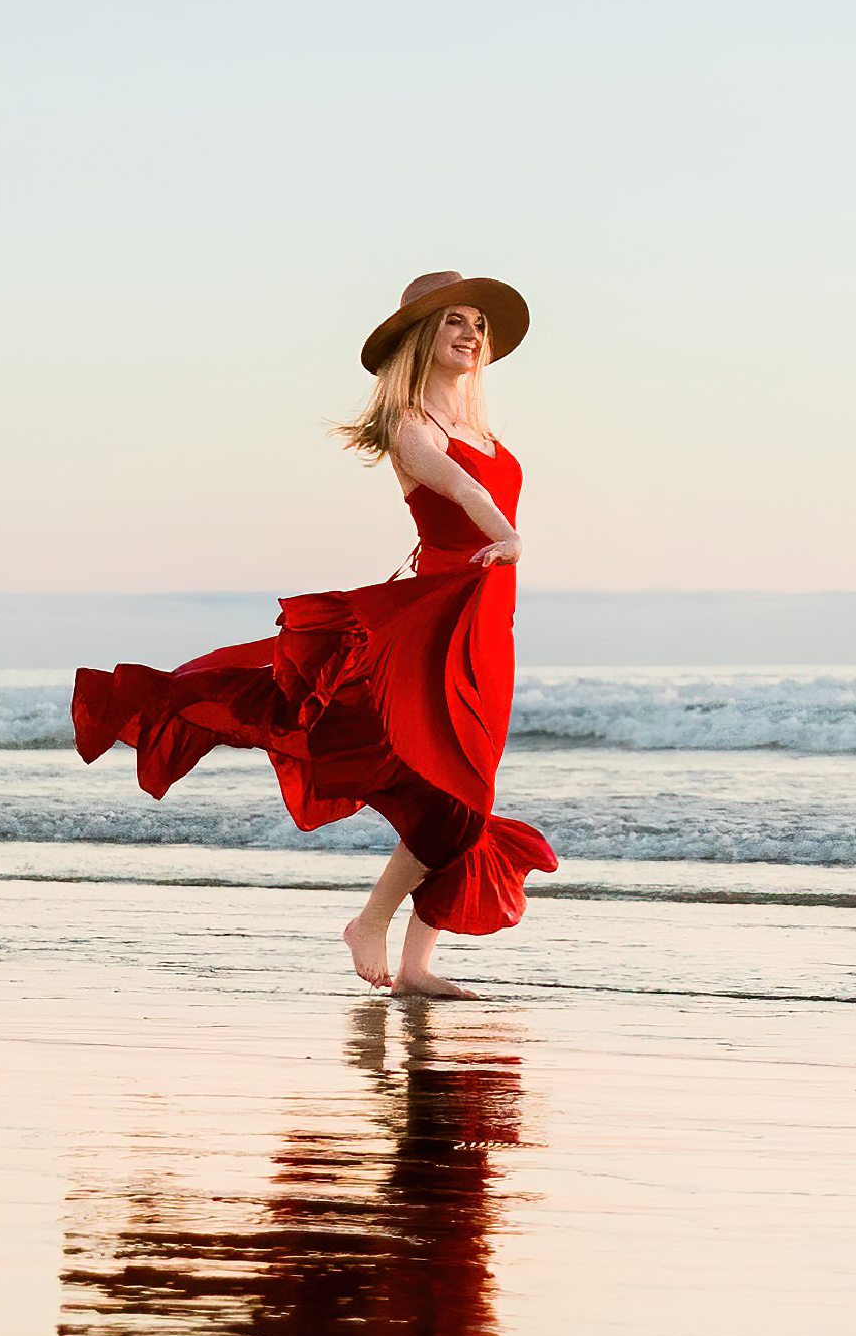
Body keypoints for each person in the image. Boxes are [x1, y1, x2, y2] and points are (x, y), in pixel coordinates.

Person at [71, 271, 556, 998]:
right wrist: (508, 536)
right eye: (453, 321)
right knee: (452, 783)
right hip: (435, 613)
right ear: (422, 336)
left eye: (478, 325)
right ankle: (371, 924)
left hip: (487, 615)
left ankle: (418, 963)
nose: (469, 334)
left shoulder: (481, 429)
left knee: (469, 786)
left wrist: (505, 547)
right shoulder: (411, 424)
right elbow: (464, 491)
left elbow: (482, 482)